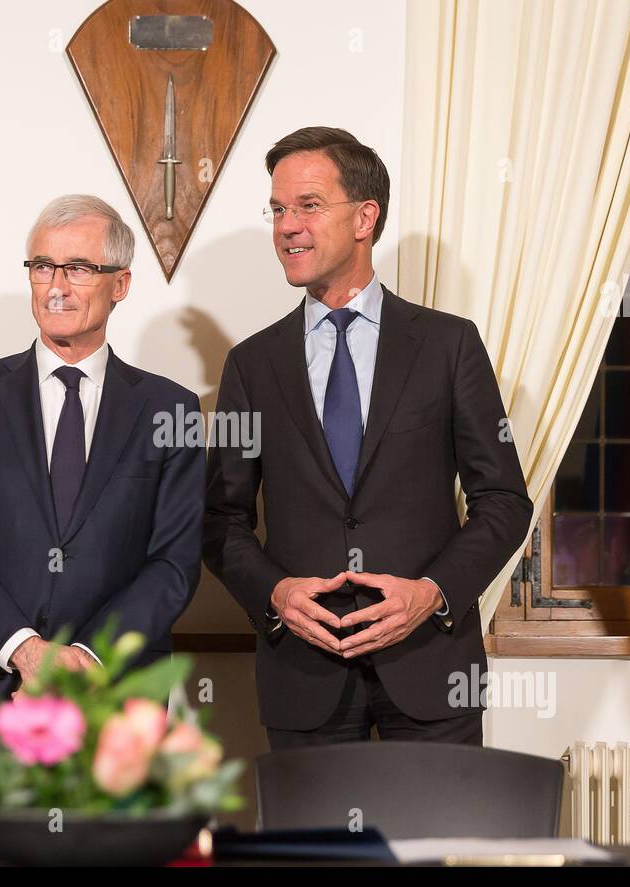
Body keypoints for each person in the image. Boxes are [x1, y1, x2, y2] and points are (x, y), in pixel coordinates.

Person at [204, 128, 533, 750]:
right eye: (277, 210)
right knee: (318, 851)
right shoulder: (251, 364)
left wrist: (432, 594)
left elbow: (505, 501)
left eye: (306, 205)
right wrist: (274, 593)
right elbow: (220, 519)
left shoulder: (448, 345)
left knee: (439, 849)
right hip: (304, 674)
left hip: (432, 667)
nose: (286, 226)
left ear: (364, 217)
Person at [0, 194, 204, 742]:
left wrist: (84, 658)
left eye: (77, 268)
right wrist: (27, 652)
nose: (56, 285)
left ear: (120, 283)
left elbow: (174, 563)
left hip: (117, 697)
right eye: (43, 267)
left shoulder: (174, 410)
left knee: (114, 834)